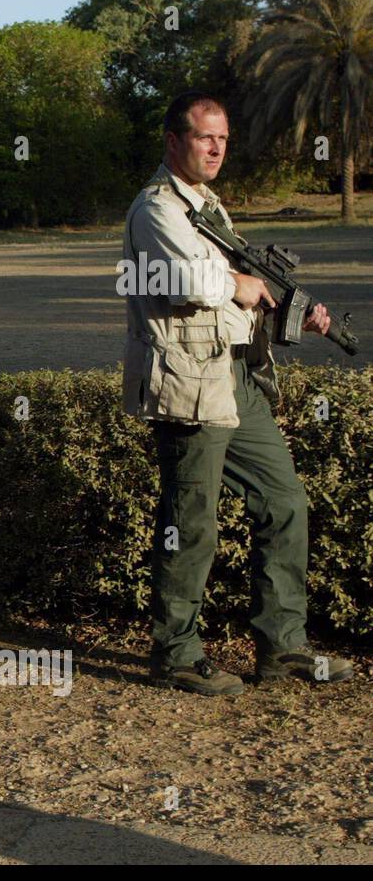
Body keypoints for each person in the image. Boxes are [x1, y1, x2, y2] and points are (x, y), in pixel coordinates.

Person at [121, 90, 354, 696]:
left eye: (223, 137)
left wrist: (294, 311)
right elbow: (184, 279)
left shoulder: (208, 207)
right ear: (175, 141)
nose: (217, 147)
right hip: (190, 384)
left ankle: (284, 647)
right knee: (191, 523)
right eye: (205, 137)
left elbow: (248, 293)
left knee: (285, 503)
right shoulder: (156, 208)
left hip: (235, 379)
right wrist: (241, 283)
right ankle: (175, 653)